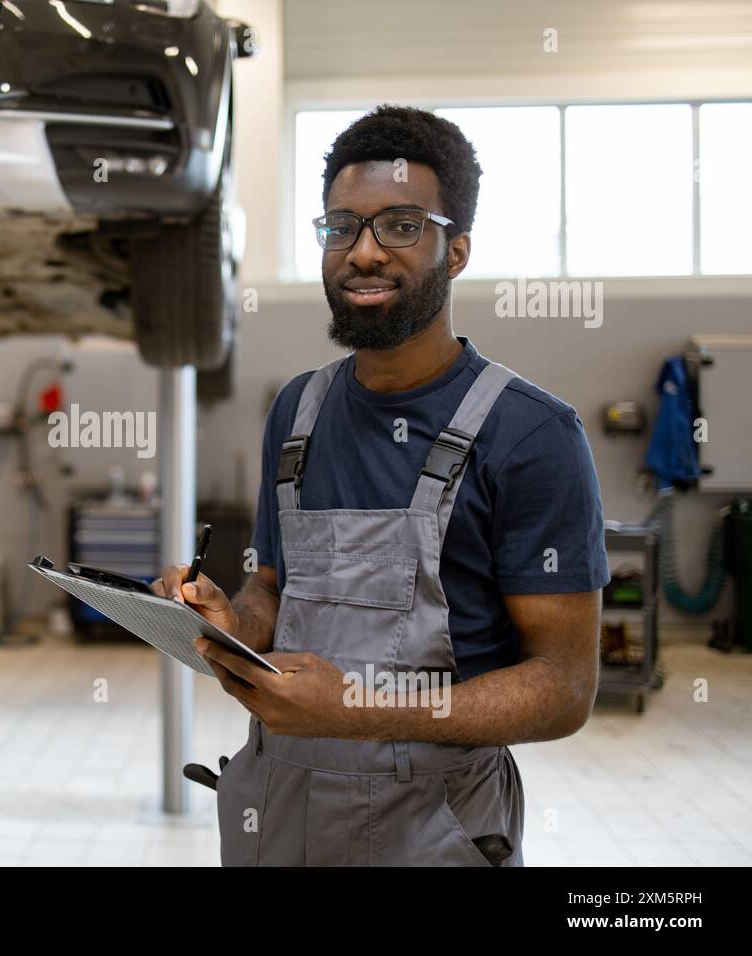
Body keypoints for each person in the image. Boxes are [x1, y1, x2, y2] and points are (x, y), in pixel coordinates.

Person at [153, 105, 610, 866]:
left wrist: (360, 709)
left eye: (400, 226)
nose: (363, 253)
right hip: (277, 806)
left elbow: (564, 688)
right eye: (341, 227)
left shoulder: (531, 435)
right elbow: (275, 586)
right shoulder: (297, 410)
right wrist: (232, 620)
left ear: (456, 249)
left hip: (432, 825)